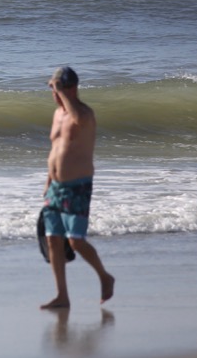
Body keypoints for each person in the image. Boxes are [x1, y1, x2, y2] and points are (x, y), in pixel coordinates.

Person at [40, 65, 115, 310]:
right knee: (53, 239)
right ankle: (62, 296)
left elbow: (79, 120)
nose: (54, 93)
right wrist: (48, 181)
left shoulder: (84, 114)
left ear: (71, 88)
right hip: (56, 188)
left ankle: (104, 276)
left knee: (75, 241)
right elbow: (55, 150)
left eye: (58, 87)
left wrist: (62, 93)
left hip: (78, 186)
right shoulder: (56, 115)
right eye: (53, 88)